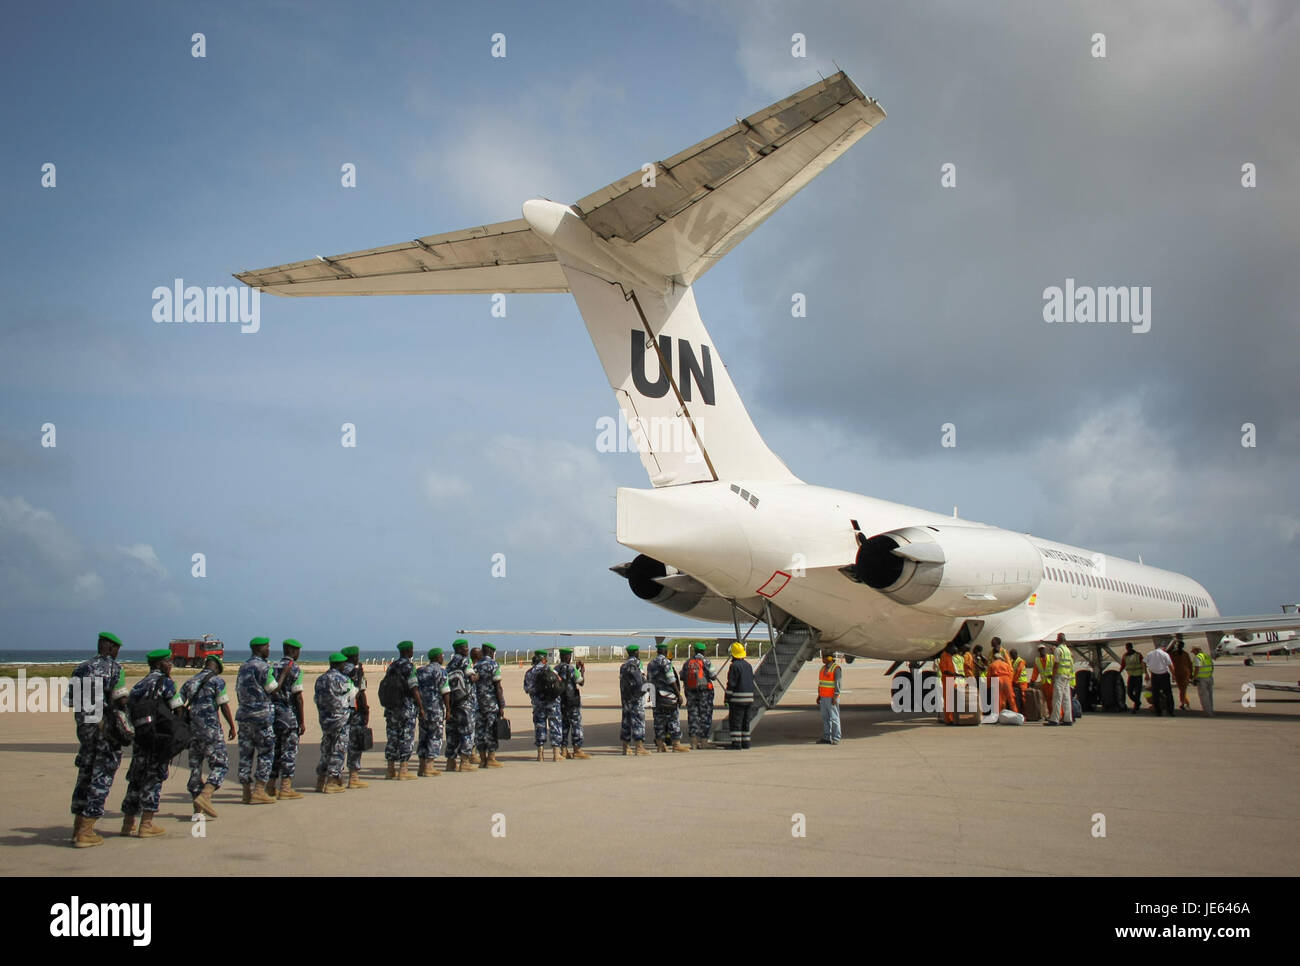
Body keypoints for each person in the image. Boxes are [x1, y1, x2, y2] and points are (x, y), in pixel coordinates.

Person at [69, 631, 130, 847]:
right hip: (105, 731)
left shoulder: (81, 668)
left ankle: (78, 827)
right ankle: (87, 831)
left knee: (84, 774)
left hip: (85, 730)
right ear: (111, 648)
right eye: (116, 649)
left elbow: (72, 701)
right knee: (102, 777)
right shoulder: (114, 669)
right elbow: (120, 698)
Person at [121, 648, 183, 837]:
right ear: (158, 664)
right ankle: (146, 823)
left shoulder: (139, 685)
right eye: (167, 661)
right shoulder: (166, 683)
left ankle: (128, 823)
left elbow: (127, 709)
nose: (170, 664)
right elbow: (177, 708)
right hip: (159, 738)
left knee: (136, 778)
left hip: (141, 737)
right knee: (154, 778)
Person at [237, 636, 296, 804]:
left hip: (244, 715)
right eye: (266, 647)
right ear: (259, 649)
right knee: (265, 753)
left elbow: (238, 690)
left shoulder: (243, 667)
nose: (268, 650)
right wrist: (283, 674)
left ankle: (245, 791)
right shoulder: (263, 667)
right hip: (261, 716)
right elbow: (273, 688)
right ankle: (259, 790)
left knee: (245, 755)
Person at [179, 653, 235, 818]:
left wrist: (185, 720)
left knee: (195, 768)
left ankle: (197, 811)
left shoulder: (189, 682)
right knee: (221, 765)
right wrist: (232, 726)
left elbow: (177, 703)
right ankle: (206, 795)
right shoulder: (217, 681)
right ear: (216, 668)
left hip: (193, 731)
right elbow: (223, 705)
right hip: (210, 730)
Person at [266, 638, 306, 799]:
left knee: (274, 751)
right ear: (293, 651)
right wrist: (302, 721)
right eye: (297, 651)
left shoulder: (272, 667)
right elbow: (298, 697)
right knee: (289, 752)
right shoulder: (295, 669)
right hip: (289, 717)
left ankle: (270, 785)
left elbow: (269, 689)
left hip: (272, 715)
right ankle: (285, 788)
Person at [383, 641, 426, 780]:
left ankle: (390, 769)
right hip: (406, 707)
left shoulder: (392, 666)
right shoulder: (409, 667)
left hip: (391, 708)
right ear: (408, 651)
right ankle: (403, 769)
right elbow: (414, 687)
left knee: (392, 737)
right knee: (406, 736)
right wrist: (421, 706)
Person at [315, 653, 356, 793]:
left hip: (325, 720)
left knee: (326, 749)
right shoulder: (343, 679)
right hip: (341, 719)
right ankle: (332, 781)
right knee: (338, 749)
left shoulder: (320, 680)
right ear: (340, 664)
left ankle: (320, 780)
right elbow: (352, 699)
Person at [444, 639, 478, 771]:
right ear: (458, 649)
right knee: (467, 731)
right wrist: (477, 676)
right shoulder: (466, 661)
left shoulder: (450, 663)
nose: (467, 650)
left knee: (452, 732)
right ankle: (465, 762)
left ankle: (450, 762)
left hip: (452, 702)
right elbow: (471, 677)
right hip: (465, 702)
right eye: (465, 648)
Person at [648, 641, 689, 752]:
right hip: (668, 697)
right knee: (673, 720)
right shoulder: (666, 663)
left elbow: (649, 681)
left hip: (656, 696)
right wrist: (678, 694)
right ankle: (676, 745)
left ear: (657, 652)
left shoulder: (651, 663)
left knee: (658, 721)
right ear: (666, 652)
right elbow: (671, 679)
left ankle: (660, 745)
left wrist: (651, 698)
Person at [524, 649, 564, 761]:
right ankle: (556, 754)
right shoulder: (551, 670)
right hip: (552, 703)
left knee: (539, 726)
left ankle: (540, 754)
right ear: (544, 660)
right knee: (555, 725)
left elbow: (527, 689)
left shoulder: (529, 673)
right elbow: (559, 683)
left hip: (538, 704)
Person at [340, 645, 370, 787]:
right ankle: (353, 777)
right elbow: (360, 693)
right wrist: (365, 710)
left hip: (339, 712)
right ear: (354, 657)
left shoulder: (337, 671)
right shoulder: (356, 673)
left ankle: (334, 777)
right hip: (354, 711)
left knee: (337, 745)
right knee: (355, 744)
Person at [416, 647, 449, 776]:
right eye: (441, 656)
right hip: (436, 709)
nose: (442, 658)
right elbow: (445, 692)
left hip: (422, 709)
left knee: (423, 737)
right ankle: (429, 767)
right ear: (437, 657)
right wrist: (448, 709)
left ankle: (421, 766)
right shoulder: (441, 672)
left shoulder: (420, 671)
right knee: (435, 736)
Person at [472, 642, 505, 768]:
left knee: (479, 731)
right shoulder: (494, 665)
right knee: (491, 730)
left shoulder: (476, 665)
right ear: (491, 652)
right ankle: (491, 759)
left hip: (478, 704)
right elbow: (497, 686)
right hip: (491, 704)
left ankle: (482, 759)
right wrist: (501, 704)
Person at [555, 647, 590, 759]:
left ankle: (564, 750)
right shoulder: (571, 669)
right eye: (569, 656)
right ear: (567, 657)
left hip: (561, 702)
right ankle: (577, 749)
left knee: (564, 726)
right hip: (572, 701)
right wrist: (582, 671)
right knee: (576, 725)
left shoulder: (555, 669)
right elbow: (581, 682)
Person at [680, 642, 716, 748]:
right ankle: (704, 741)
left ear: (694, 651)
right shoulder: (706, 662)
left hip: (691, 694)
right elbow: (713, 676)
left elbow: (682, 676)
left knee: (693, 716)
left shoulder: (687, 663)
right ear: (703, 651)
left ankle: (693, 742)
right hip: (705, 694)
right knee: (705, 716)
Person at [618, 644, 650, 755]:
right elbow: (641, 679)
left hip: (626, 697)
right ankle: (639, 747)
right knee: (638, 720)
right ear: (636, 652)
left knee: (626, 721)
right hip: (636, 697)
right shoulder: (637, 663)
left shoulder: (623, 666)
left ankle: (625, 747)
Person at [725, 642, 756, 749]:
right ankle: (746, 743)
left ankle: (736, 744)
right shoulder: (748, 666)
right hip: (749, 699)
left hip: (737, 700)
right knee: (745, 722)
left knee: (736, 722)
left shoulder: (734, 666)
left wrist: (727, 698)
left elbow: (731, 684)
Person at [1045, 634, 1074, 726]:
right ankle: (1068, 719)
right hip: (1067, 676)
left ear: (1058, 640)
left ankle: (1054, 719)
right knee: (1066, 699)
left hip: (1059, 676)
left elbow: (1056, 664)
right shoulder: (1067, 650)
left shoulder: (1058, 650)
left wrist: (1053, 677)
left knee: (1057, 698)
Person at [816, 650, 842, 744]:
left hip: (831, 697)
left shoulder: (836, 669)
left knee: (834, 718)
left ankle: (836, 738)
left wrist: (835, 696)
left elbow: (838, 684)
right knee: (825, 718)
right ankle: (826, 737)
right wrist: (819, 695)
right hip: (823, 697)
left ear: (829, 658)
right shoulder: (823, 668)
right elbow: (821, 683)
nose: (822, 659)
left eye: (824, 657)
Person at [1145, 641, 1176, 717]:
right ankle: (1170, 711)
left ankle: (1158, 711)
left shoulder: (1150, 653)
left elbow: (1143, 662)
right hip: (1164, 675)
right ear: (1163, 648)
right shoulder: (1165, 654)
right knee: (1168, 694)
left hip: (1154, 676)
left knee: (1155, 694)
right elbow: (1170, 665)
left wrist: (1146, 673)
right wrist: (1173, 675)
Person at [986, 644, 1015, 715]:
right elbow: (1011, 672)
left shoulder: (992, 665)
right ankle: (1015, 713)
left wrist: (988, 686)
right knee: (1011, 698)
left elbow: (989, 676)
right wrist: (1010, 682)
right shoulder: (1006, 664)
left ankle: (998, 715)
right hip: (1006, 680)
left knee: (998, 699)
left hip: (997, 680)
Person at [467, 646, 482, 764]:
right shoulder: (472, 668)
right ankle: (472, 754)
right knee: (473, 730)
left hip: (465, 703)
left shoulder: (470, 666)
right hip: (473, 704)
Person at [1192, 644, 1215, 716]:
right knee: (1210, 696)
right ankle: (1211, 710)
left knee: (1204, 697)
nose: (1193, 653)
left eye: (1193, 651)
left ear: (1196, 650)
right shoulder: (1207, 656)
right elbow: (1212, 666)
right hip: (1209, 677)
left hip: (1201, 679)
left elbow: (1197, 668)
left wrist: (1194, 678)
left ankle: (1208, 713)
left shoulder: (1198, 657)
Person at [938, 643, 958, 725]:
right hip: (947, 680)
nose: (954, 651)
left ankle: (951, 718)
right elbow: (944, 670)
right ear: (949, 648)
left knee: (952, 700)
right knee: (948, 700)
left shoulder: (949, 656)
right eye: (953, 649)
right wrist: (954, 674)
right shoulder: (944, 656)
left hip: (951, 680)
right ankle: (948, 719)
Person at [1122, 643, 1145, 713]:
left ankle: (1135, 707)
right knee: (1129, 692)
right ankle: (1137, 702)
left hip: (1138, 675)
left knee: (1137, 692)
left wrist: (1146, 674)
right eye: (1126, 648)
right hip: (1131, 676)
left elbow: (1143, 663)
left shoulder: (1138, 655)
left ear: (1131, 647)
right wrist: (1119, 672)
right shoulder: (1125, 656)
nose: (1127, 649)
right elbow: (1123, 664)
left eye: (1128, 647)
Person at [1031, 644, 1054, 714]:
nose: (1042, 651)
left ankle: (1059, 715)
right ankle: (1051, 715)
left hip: (1053, 682)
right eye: (1040, 650)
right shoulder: (1037, 660)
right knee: (1049, 700)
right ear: (1039, 651)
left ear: (1045, 650)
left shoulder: (1051, 657)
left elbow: (1056, 667)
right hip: (1045, 683)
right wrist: (1032, 680)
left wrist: (1054, 676)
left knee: (1056, 700)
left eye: (1043, 649)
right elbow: (1035, 672)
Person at [1172, 640, 1193, 711]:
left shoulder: (1183, 654)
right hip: (1179, 673)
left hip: (1183, 673)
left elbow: (1190, 664)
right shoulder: (1175, 653)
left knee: (1183, 689)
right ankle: (1185, 703)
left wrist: (1191, 674)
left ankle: (1184, 703)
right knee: (1182, 689)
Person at [1009, 647, 1028, 714]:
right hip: (1015, 682)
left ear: (1015, 654)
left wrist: (1014, 681)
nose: (1010, 656)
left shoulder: (1021, 661)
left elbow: (1018, 671)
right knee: (1017, 699)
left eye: (1011, 654)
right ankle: (1019, 712)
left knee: (1023, 699)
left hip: (1021, 682)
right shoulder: (1011, 661)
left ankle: (1024, 714)